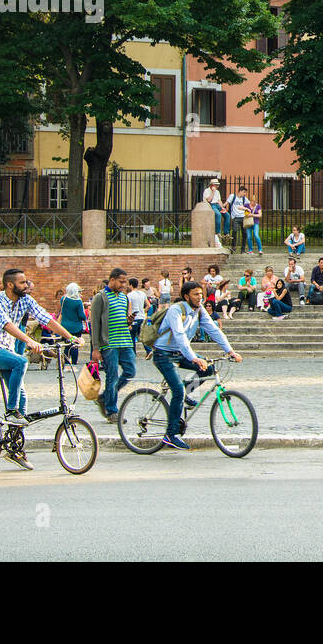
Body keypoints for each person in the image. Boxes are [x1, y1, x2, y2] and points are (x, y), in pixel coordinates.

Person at [0, 268, 80, 468]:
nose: (27, 286)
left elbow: (46, 319)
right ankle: (11, 411)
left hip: (6, 351)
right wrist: (29, 341)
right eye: (23, 283)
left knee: (23, 397)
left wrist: (71, 338)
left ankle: (14, 448)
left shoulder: (25, 300)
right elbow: (7, 325)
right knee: (21, 361)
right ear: (10, 285)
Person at [150, 281, 241, 450]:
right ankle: (171, 434)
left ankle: (186, 391)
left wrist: (231, 351)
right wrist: (193, 357)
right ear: (186, 296)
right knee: (177, 390)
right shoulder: (176, 310)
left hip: (181, 352)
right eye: (195, 294)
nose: (200, 297)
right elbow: (179, 335)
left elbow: (214, 330)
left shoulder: (200, 311)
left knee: (209, 368)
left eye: (201, 294)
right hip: (163, 353)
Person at [89, 268, 137, 423]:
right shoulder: (100, 297)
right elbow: (94, 323)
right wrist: (96, 348)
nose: (124, 285)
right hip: (109, 344)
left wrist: (128, 321)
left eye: (125, 282)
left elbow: (122, 319)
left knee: (130, 371)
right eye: (121, 282)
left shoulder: (124, 298)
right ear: (112, 280)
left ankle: (105, 397)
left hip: (125, 341)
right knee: (112, 377)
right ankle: (111, 411)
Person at [57, 283, 86, 365]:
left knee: (67, 345)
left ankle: (66, 362)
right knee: (75, 344)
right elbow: (81, 315)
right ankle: (74, 362)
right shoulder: (78, 302)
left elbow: (62, 311)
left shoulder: (63, 299)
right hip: (76, 326)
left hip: (65, 325)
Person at [202, 178, 225, 247]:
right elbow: (209, 200)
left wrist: (222, 208)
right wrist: (213, 192)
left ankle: (226, 232)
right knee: (218, 215)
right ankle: (218, 232)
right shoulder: (206, 191)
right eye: (216, 185)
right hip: (210, 206)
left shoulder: (217, 192)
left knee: (227, 215)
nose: (217, 187)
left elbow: (219, 201)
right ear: (212, 185)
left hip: (217, 205)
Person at [225, 187, 249, 252]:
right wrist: (223, 207)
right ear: (240, 191)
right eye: (244, 192)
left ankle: (243, 250)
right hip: (235, 217)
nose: (245, 194)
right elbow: (227, 203)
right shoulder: (233, 196)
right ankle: (233, 247)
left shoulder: (244, 199)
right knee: (234, 231)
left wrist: (247, 213)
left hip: (243, 217)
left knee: (245, 233)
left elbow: (249, 206)